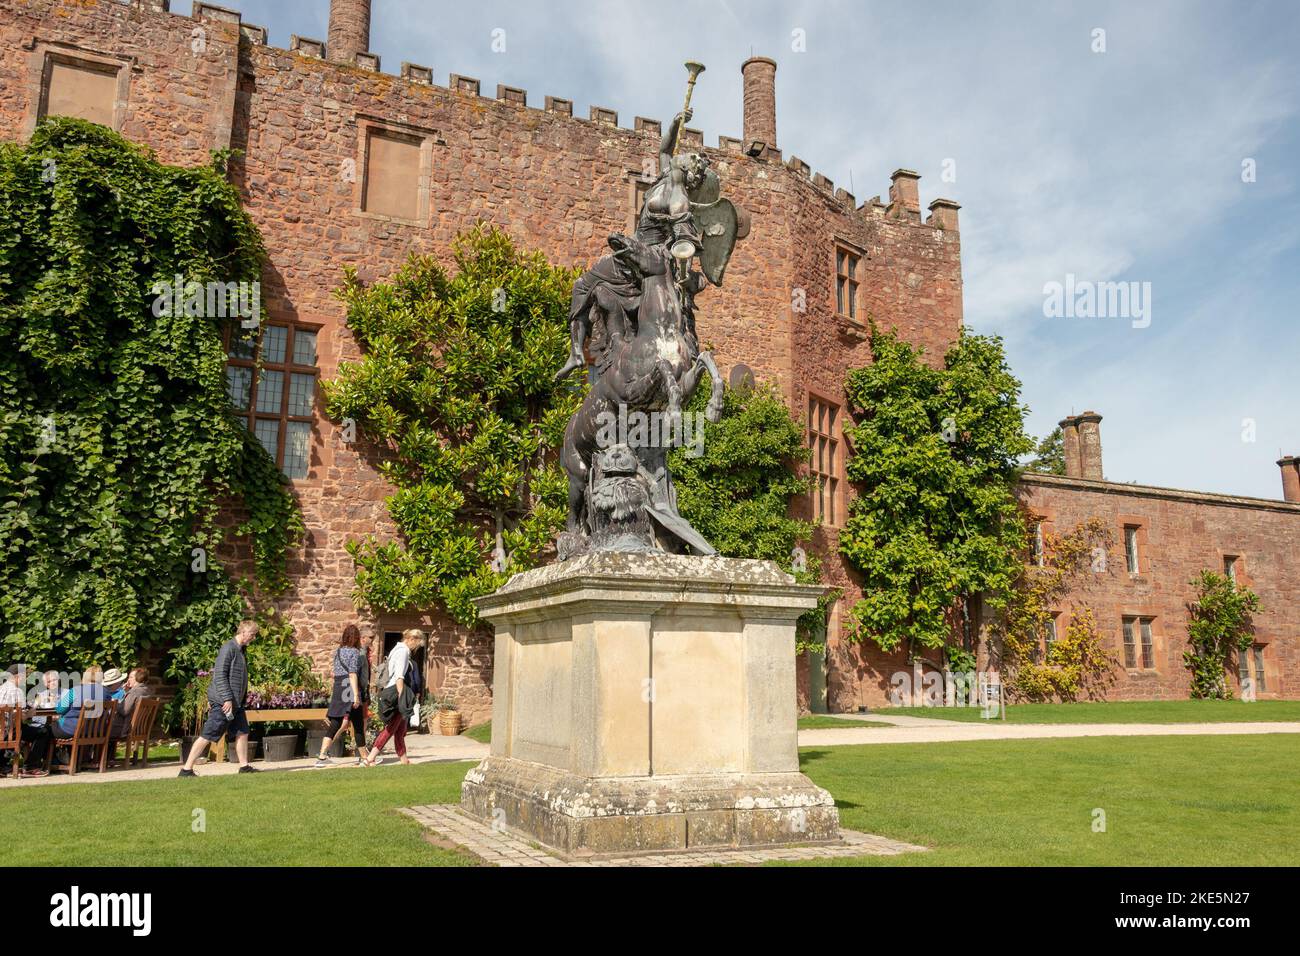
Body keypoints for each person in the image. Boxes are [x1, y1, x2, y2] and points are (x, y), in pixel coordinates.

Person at [179, 620, 259, 777]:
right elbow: (220, 675)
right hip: (225, 702)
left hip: (236, 703)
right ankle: (186, 769)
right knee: (208, 734)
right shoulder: (228, 648)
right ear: (243, 632)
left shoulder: (241, 650)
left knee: (242, 732)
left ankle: (244, 766)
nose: (253, 638)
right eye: (252, 635)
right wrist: (227, 698)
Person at [314, 625, 370, 768]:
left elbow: (334, 672)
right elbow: (352, 674)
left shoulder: (337, 651)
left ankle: (321, 756)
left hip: (339, 687)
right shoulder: (355, 652)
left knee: (336, 723)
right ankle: (365, 758)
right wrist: (356, 695)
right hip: (349, 688)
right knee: (357, 725)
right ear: (357, 638)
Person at [367, 628, 424, 766]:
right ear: (411, 639)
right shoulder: (403, 651)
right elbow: (399, 676)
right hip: (396, 691)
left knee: (400, 728)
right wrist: (401, 697)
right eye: (416, 645)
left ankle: (403, 758)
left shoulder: (396, 649)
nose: (416, 648)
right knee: (392, 727)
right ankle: (370, 757)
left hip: (392, 690)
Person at [50, 665, 106, 771]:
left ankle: (54, 762)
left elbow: (60, 709)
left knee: (47, 729)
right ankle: (78, 760)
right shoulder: (104, 692)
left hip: (72, 729)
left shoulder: (75, 690)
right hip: (94, 729)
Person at [110, 667, 152, 740]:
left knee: (100, 730)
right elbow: (132, 704)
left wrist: (115, 702)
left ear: (138, 678)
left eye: (131, 677)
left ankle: (105, 751)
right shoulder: (146, 691)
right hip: (139, 728)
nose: (128, 680)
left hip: (124, 729)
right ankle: (110, 751)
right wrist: (126, 692)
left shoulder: (134, 692)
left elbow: (124, 711)